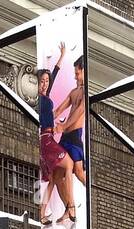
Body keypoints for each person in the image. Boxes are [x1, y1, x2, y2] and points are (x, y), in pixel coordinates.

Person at [36, 48, 78, 229]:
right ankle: (71, 207)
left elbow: (54, 73)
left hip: (47, 138)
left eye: (46, 81)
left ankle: (42, 213)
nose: (45, 84)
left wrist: (61, 57)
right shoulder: (37, 99)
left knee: (53, 179)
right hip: (46, 140)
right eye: (41, 81)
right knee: (68, 165)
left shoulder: (44, 97)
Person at [54, 54, 87, 188]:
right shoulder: (74, 92)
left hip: (74, 137)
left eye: (77, 73)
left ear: (84, 71)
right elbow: (59, 110)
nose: (75, 77)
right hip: (65, 137)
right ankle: (69, 207)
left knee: (79, 172)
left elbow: (80, 111)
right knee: (56, 176)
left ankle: (89, 190)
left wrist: (64, 126)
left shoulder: (86, 92)